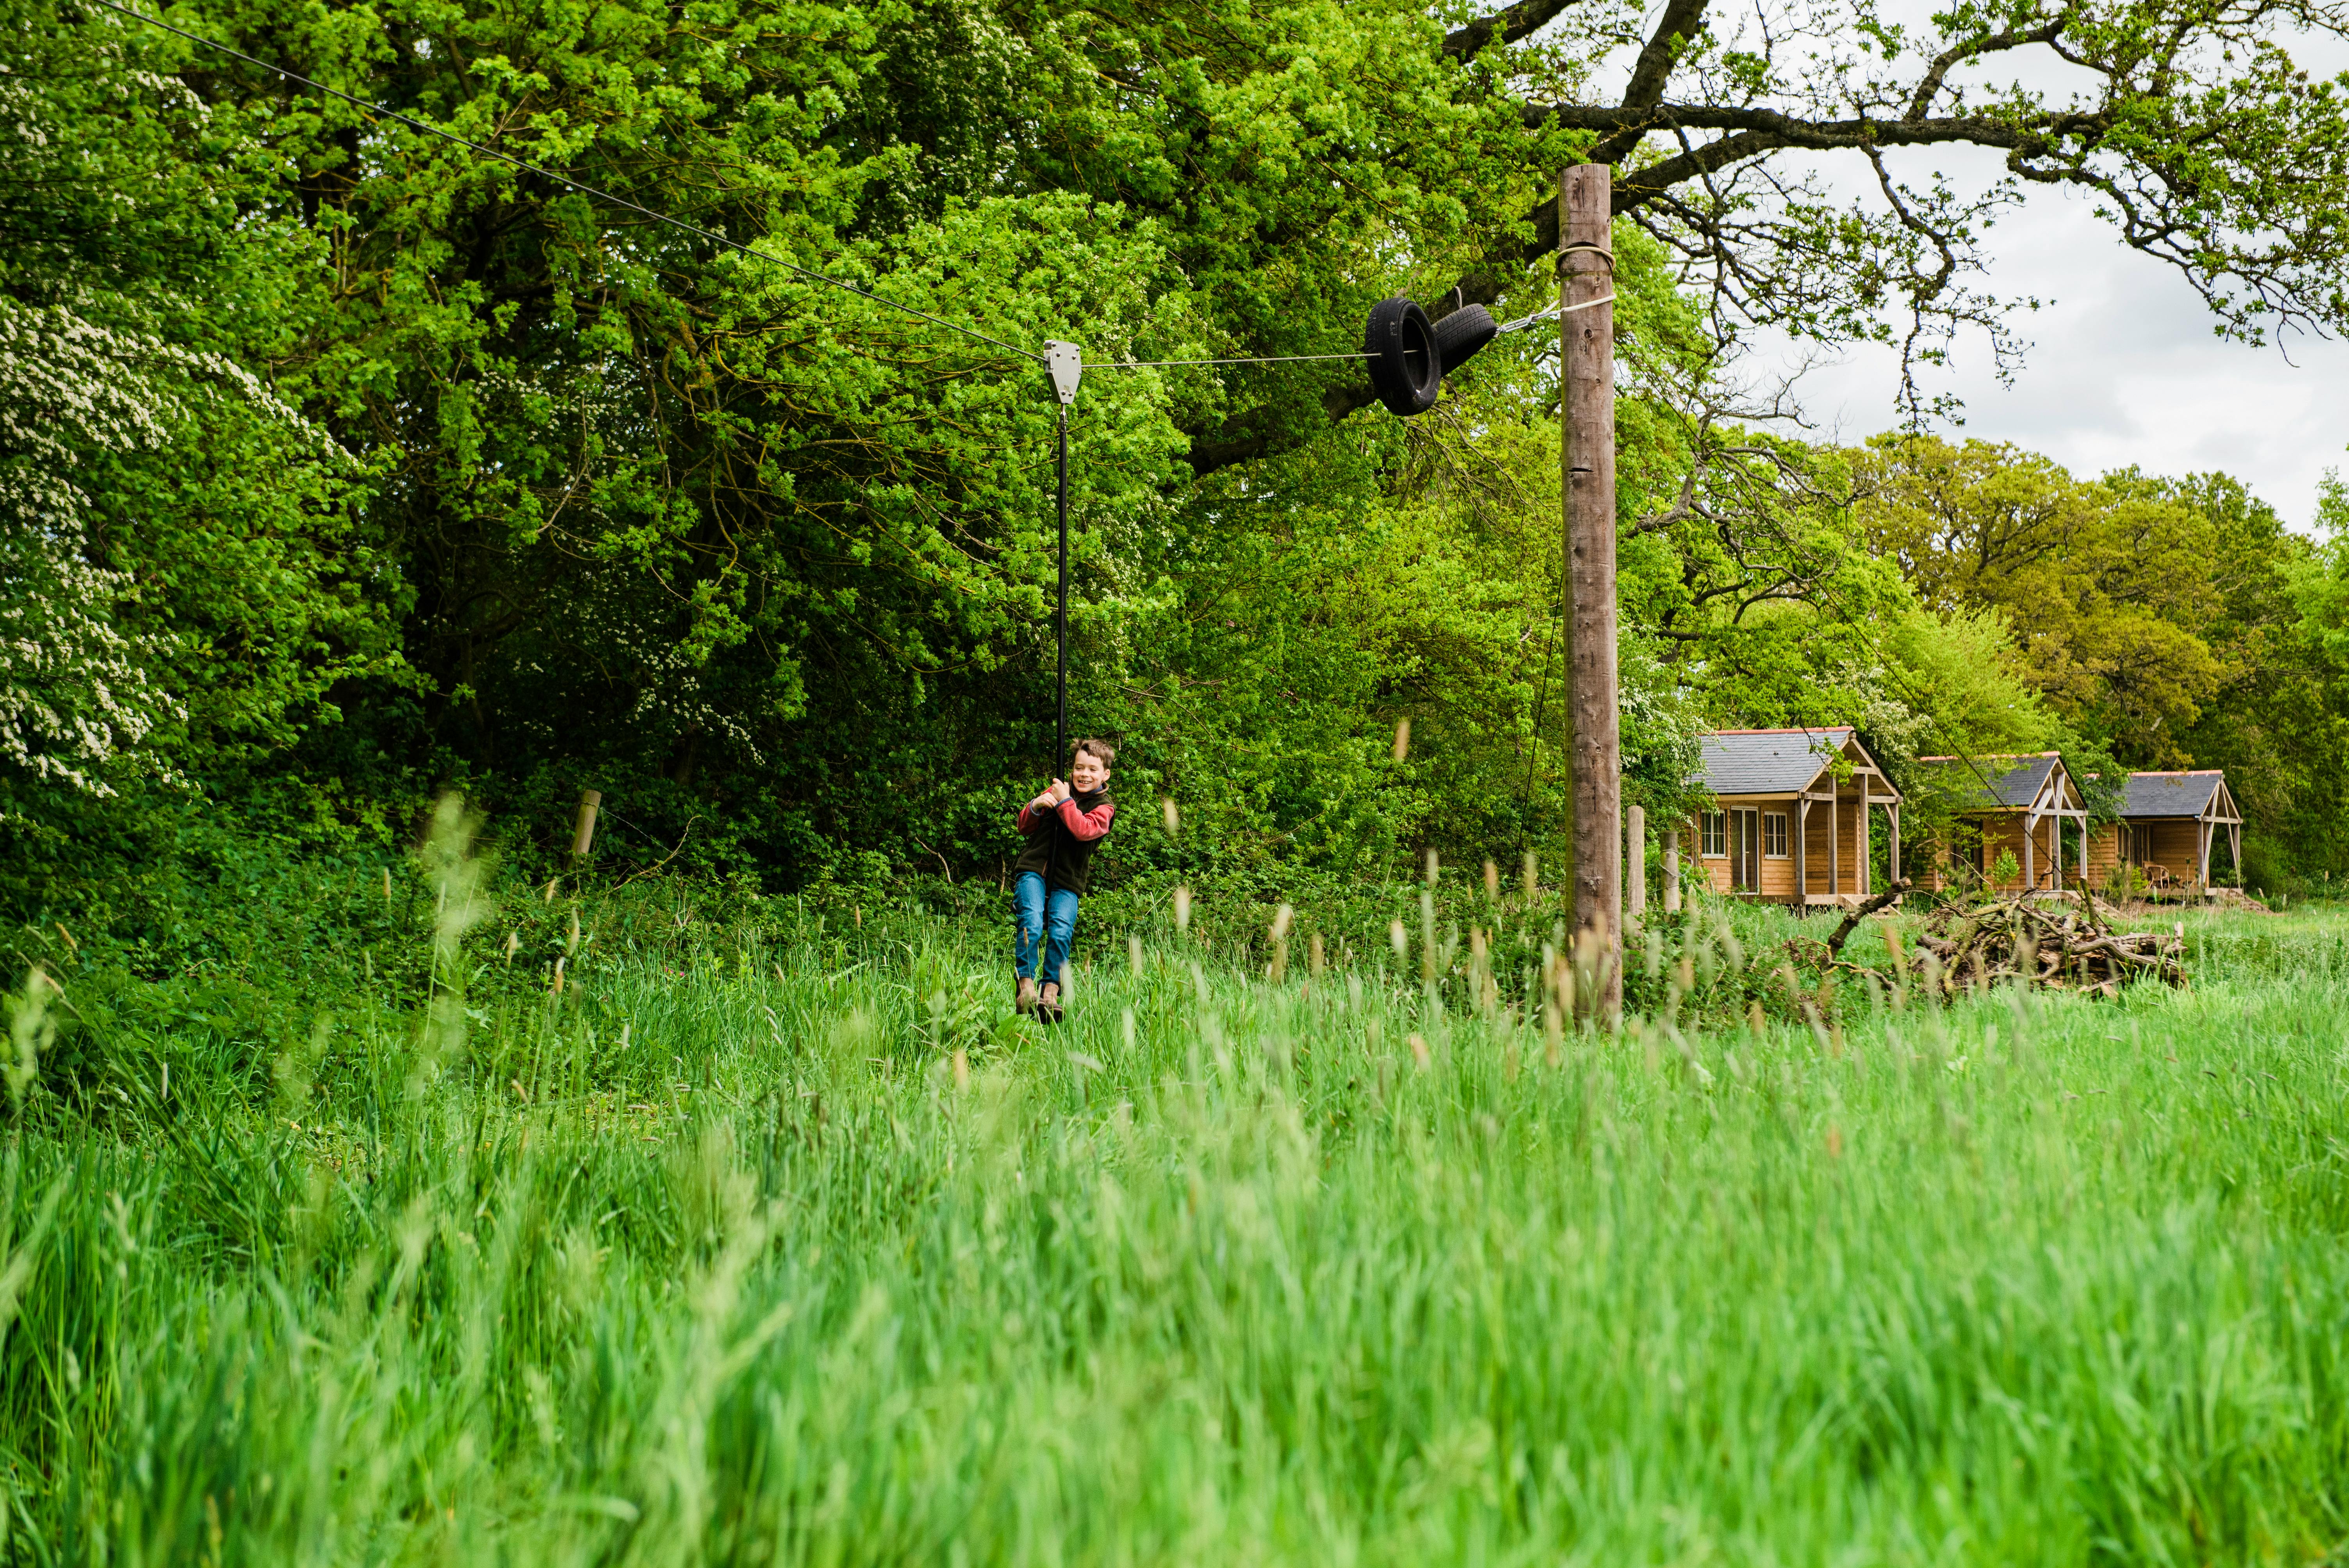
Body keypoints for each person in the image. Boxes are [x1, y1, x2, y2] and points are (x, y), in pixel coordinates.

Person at [1011, 739, 1115, 1022]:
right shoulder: (1058, 790)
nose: (1084, 774)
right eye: (1079, 767)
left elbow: (1082, 830)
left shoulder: (1105, 809)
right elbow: (1024, 826)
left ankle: (1050, 993)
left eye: (1092, 769)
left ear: (1105, 774)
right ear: (1071, 769)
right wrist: (1036, 805)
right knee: (1031, 921)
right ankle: (1027, 989)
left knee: (1061, 931)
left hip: (1068, 882)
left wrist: (1064, 801)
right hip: (1035, 870)